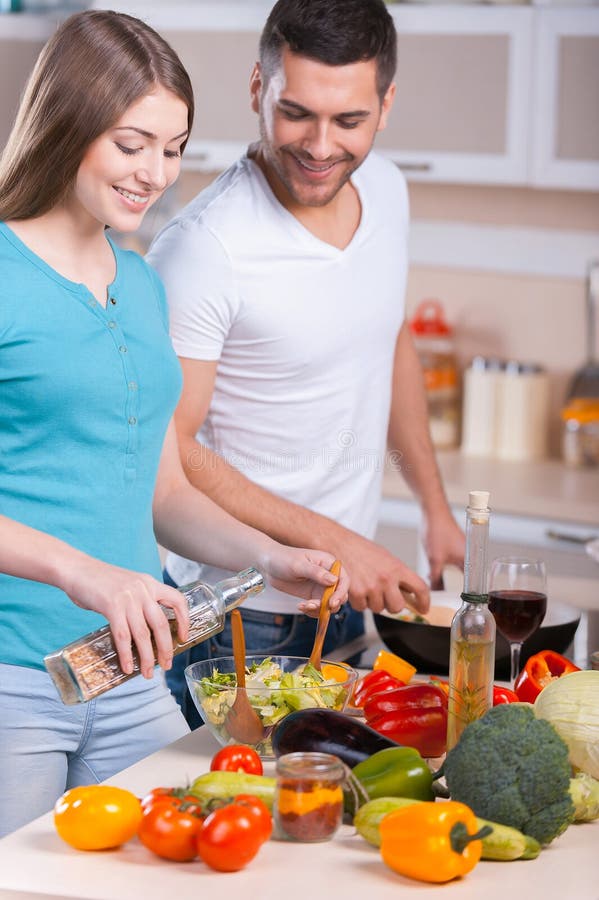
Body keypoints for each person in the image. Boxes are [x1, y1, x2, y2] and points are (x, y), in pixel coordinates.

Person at [0, 9, 349, 837]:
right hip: (15, 683)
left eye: (173, 146)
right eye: (131, 144)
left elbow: (161, 490)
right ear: (68, 127)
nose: (155, 172)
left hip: (133, 679)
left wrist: (265, 557)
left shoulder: (141, 280)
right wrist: (84, 573)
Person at [147, 0, 465, 728]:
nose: (321, 146)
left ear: (385, 103)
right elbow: (171, 449)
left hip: (345, 604)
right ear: (256, 86)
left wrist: (432, 506)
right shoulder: (205, 248)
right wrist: (338, 540)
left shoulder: (387, 188)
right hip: (240, 618)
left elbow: (388, 339)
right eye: (296, 113)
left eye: (348, 121)